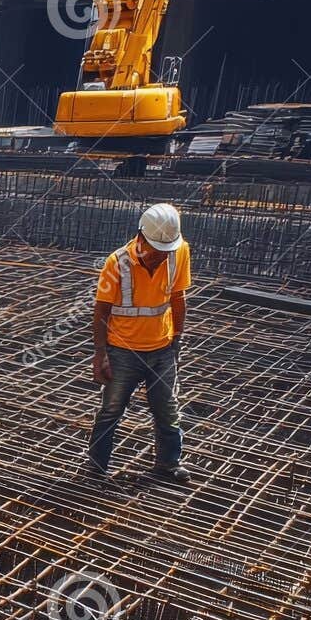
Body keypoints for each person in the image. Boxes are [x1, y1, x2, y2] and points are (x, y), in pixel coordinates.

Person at [86, 203, 192, 484]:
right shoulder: (116, 263)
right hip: (123, 351)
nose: (161, 256)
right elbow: (101, 312)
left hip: (161, 348)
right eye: (156, 249)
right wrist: (100, 355)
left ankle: (168, 465)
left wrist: (177, 339)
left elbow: (178, 298)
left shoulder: (179, 251)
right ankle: (97, 468)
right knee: (111, 410)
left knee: (167, 409)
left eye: (166, 250)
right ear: (141, 238)